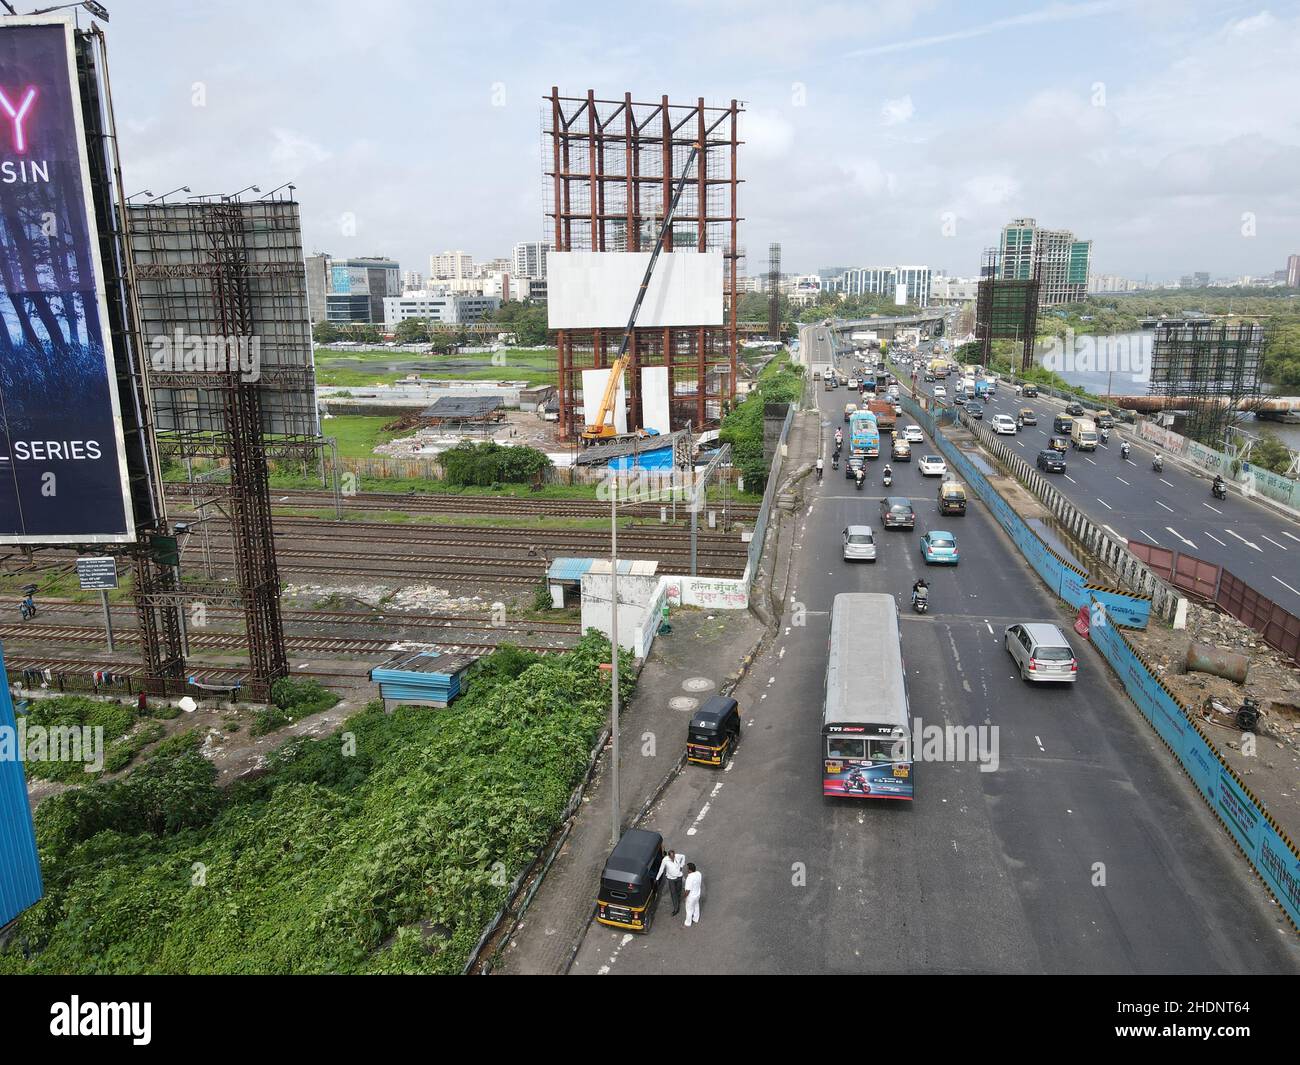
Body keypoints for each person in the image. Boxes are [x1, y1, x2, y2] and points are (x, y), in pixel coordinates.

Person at [656, 848, 687, 916]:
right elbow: (661, 869)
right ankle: (676, 908)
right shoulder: (665, 860)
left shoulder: (677, 856)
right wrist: (657, 878)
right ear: (669, 856)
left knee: (678, 891)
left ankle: (677, 901)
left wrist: (681, 865)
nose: (673, 858)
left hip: (679, 877)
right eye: (671, 857)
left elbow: (683, 856)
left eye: (674, 856)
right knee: (673, 893)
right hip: (671, 879)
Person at [683, 862, 703, 927]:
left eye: (687, 868)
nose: (686, 870)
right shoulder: (698, 873)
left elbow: (687, 891)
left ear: (689, 870)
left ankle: (688, 923)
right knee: (696, 905)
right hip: (697, 894)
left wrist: (684, 897)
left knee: (689, 910)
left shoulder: (689, 878)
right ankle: (696, 919)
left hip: (691, 897)